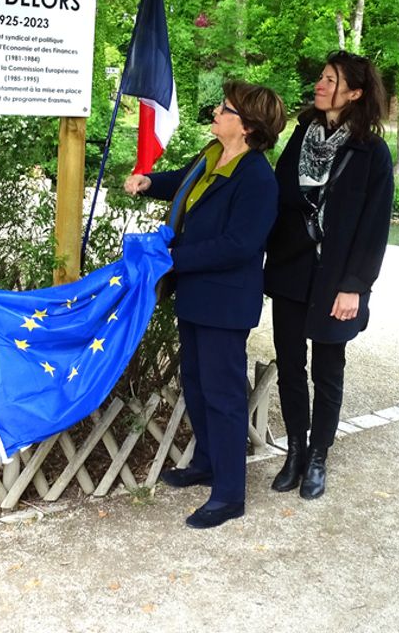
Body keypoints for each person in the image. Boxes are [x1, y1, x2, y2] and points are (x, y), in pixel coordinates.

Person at [125, 80, 286, 529]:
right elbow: (183, 184)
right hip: (196, 294)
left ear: (247, 126)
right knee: (195, 383)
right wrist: (149, 182)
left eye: (225, 108)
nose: (216, 111)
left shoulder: (257, 178)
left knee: (223, 395)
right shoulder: (213, 155)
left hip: (225, 302)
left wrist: (173, 259)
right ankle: (208, 463)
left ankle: (230, 493)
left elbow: (238, 245)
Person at [264, 50, 394, 501]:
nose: (319, 85)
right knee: (289, 366)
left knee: (327, 370)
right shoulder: (302, 136)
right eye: (320, 77)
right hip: (291, 269)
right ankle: (295, 451)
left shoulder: (371, 152)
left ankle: (319, 455)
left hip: (337, 278)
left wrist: (355, 286)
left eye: (330, 79)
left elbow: (374, 227)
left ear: (354, 93)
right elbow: (278, 199)